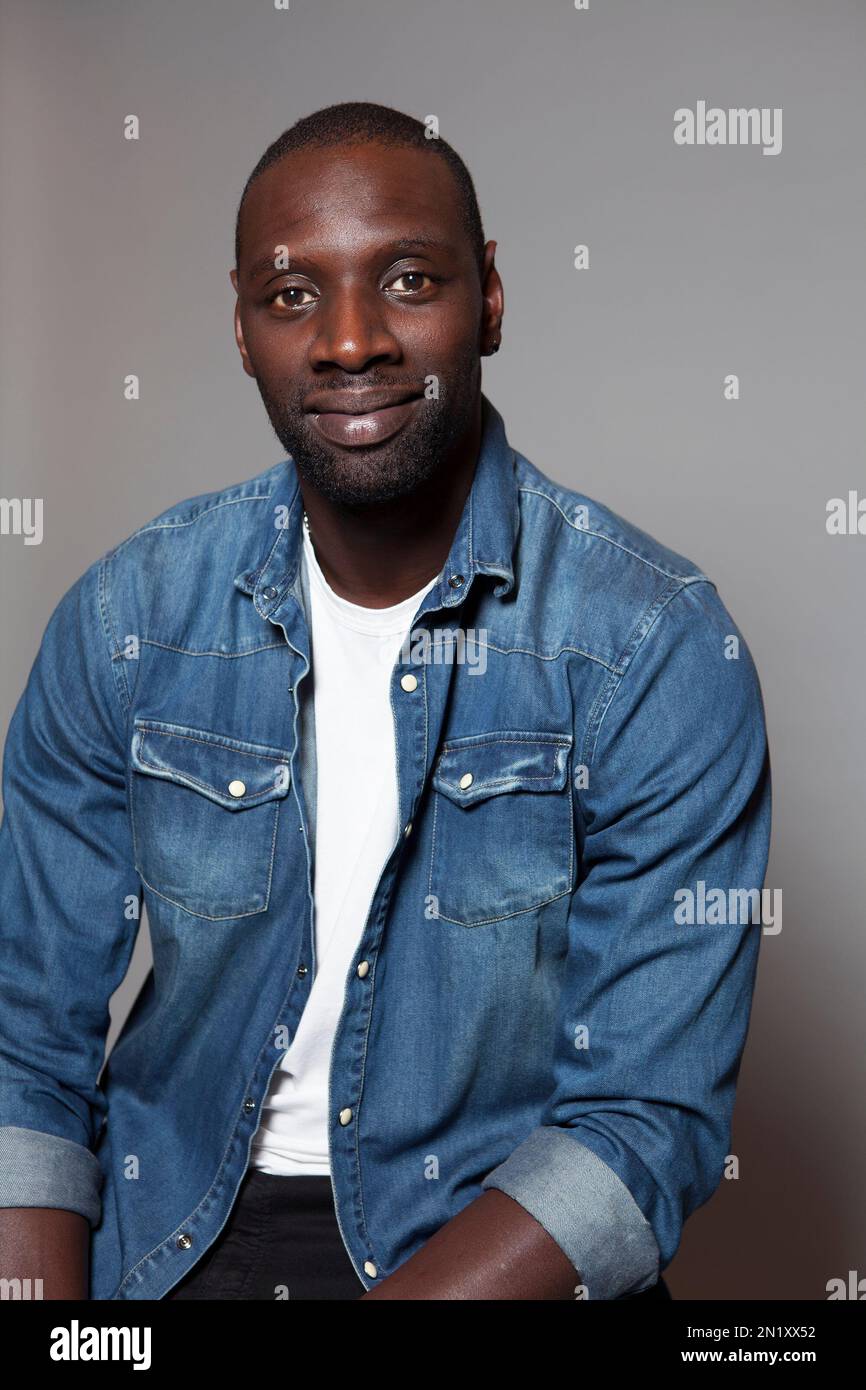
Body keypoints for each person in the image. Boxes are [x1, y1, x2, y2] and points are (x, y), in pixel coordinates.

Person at [0, 102, 770, 1301]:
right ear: (243, 330)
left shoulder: (651, 643)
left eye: (407, 279)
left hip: (494, 1250)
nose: (349, 341)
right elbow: (21, 1043)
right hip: (171, 1245)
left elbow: (640, 1125)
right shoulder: (126, 621)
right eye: (291, 294)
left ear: (492, 300)